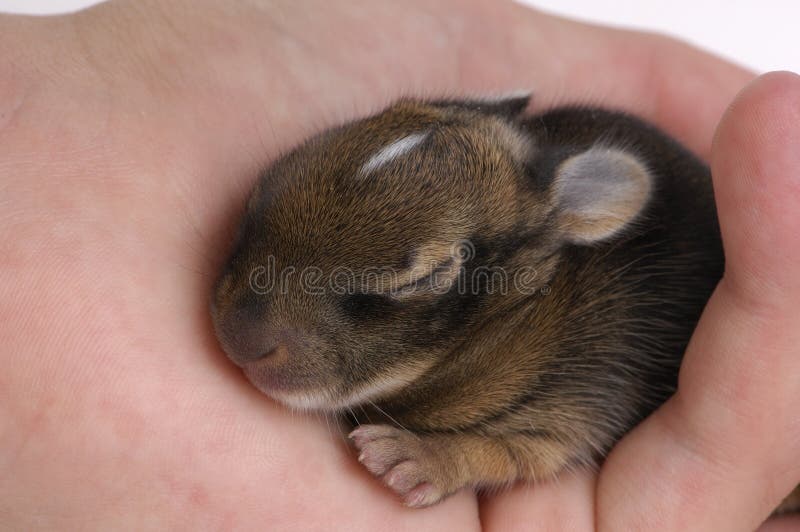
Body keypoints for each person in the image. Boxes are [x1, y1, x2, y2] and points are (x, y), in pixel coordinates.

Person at [0, 1, 797, 530]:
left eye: (395, 287)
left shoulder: (562, 334)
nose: (251, 320)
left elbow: (543, 442)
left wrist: (458, 457)